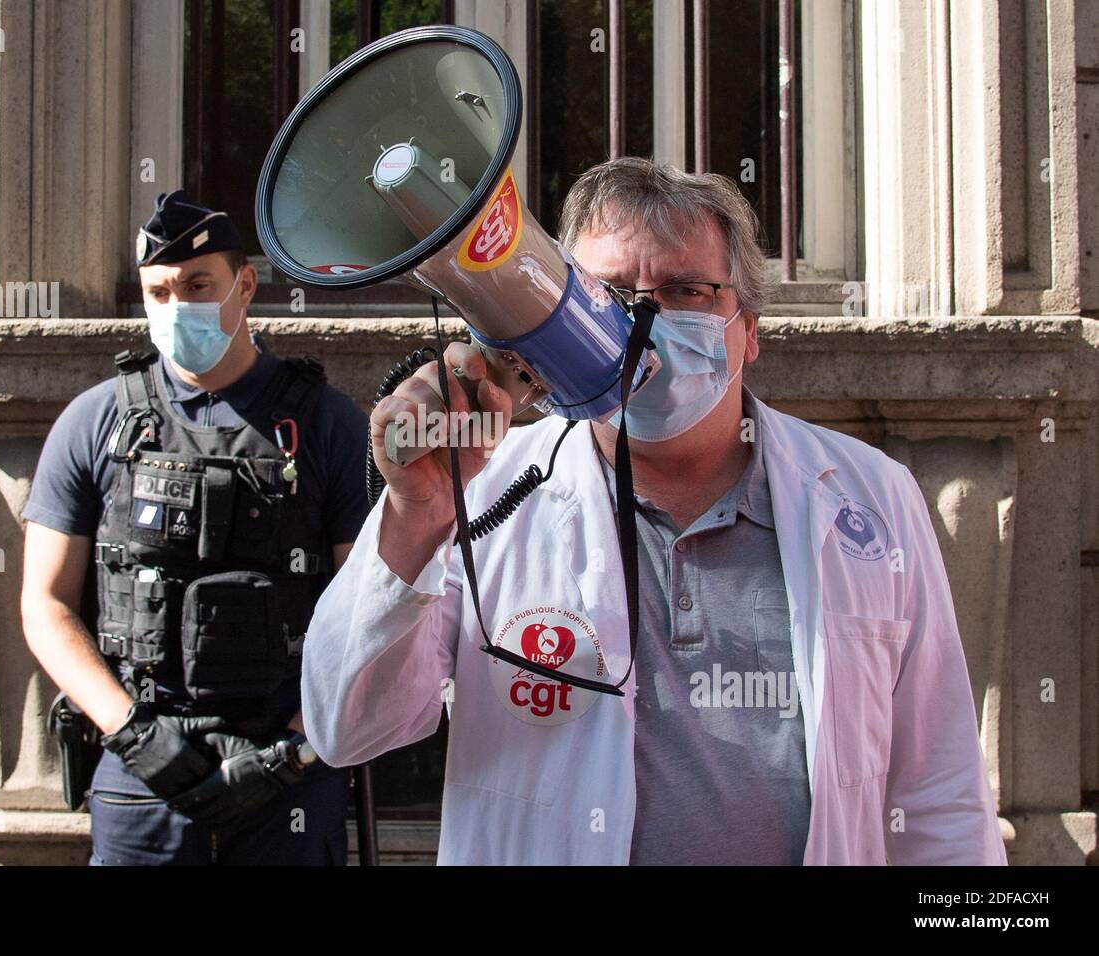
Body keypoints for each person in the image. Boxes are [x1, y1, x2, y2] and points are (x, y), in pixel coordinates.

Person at [300, 158, 1006, 865]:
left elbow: (939, 793)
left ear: (749, 329)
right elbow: (346, 726)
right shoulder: (482, 491)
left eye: (683, 290)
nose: (642, 318)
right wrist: (416, 513)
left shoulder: (868, 494)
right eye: (606, 294)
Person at [21, 190, 370, 865]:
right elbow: (45, 603)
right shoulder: (96, 423)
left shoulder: (329, 425)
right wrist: (131, 734)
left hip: (286, 767)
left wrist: (292, 751)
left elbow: (367, 615)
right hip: (144, 766)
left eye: (197, 285)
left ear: (244, 286)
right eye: (158, 291)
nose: (177, 306)